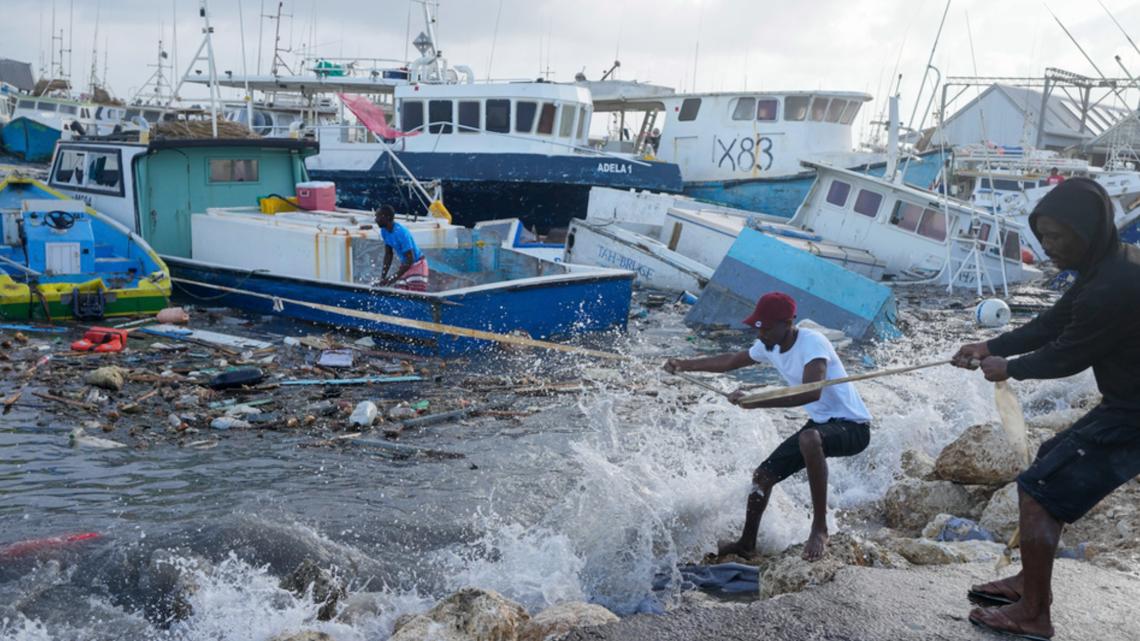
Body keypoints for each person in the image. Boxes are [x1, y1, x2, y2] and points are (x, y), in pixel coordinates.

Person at [952, 177, 1140, 641]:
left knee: (1038, 488)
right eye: (1043, 237)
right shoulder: (1110, 265)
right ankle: (1028, 583)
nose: (1049, 246)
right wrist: (989, 343)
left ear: (1088, 229)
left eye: (1057, 237)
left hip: (1135, 412)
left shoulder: (1111, 285)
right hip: (1127, 402)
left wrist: (1007, 367)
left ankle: (1035, 612)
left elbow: (1067, 355)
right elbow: (1054, 322)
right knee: (1049, 463)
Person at [664, 292, 873, 562]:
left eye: (766, 328)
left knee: (809, 438)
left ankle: (819, 528)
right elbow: (730, 362)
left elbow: (811, 392)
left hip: (853, 427)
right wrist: (683, 365)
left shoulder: (813, 343)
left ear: (788, 323)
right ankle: (746, 544)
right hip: (822, 425)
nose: (760, 334)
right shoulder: (768, 345)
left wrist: (756, 401)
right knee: (762, 477)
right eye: (758, 327)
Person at [374, 204, 429, 291]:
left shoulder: (401, 233)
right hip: (405, 265)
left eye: (378, 217)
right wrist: (383, 277)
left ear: (387, 217)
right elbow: (388, 254)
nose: (376, 220)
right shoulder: (384, 231)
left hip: (417, 264)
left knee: (415, 294)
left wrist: (392, 278)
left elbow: (410, 259)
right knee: (398, 291)